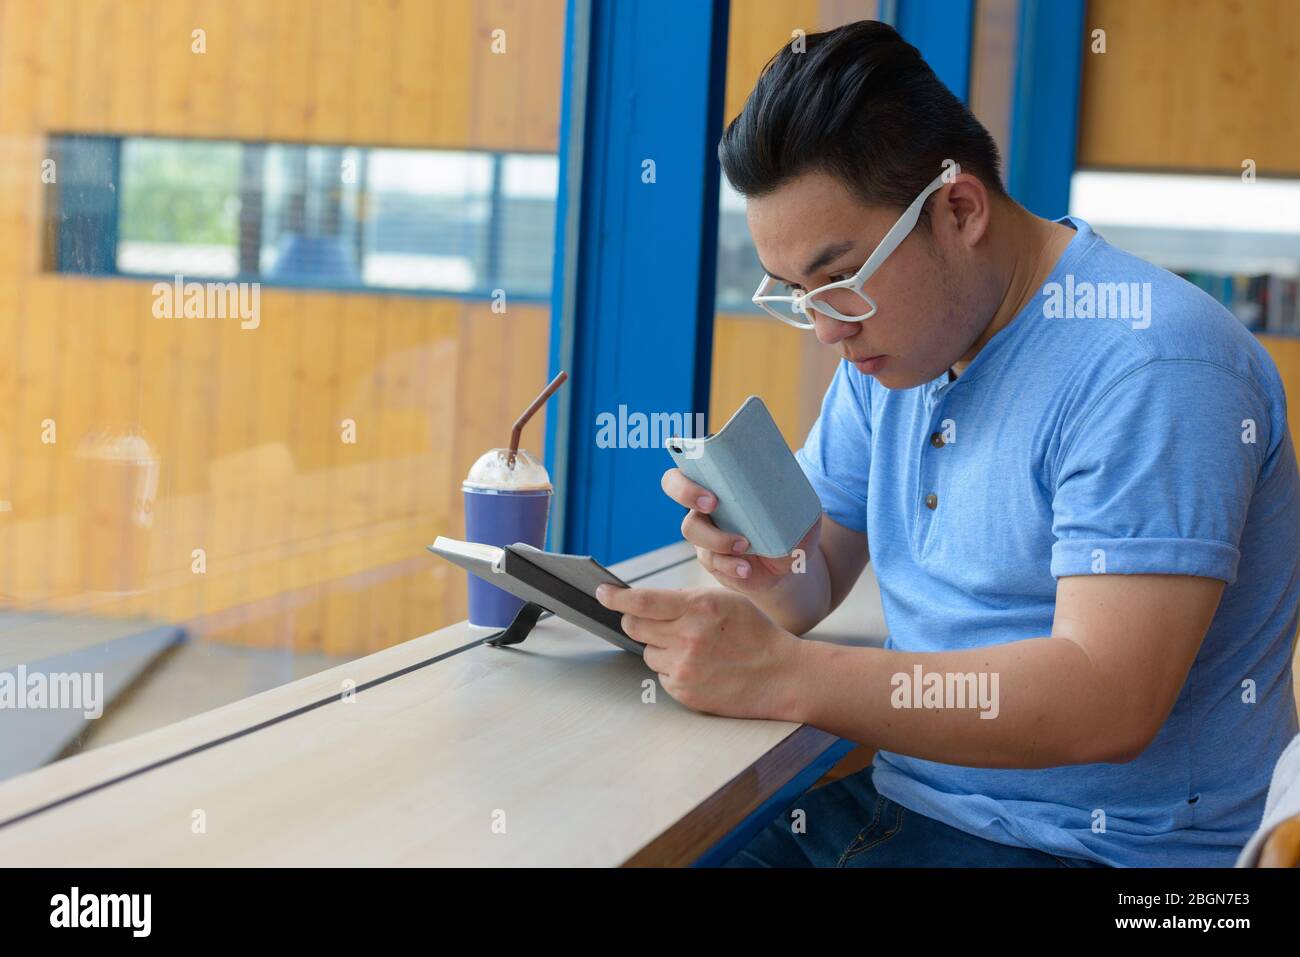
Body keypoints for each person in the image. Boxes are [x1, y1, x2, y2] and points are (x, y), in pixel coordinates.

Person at [594, 19, 1300, 867]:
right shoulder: (896, 351)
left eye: (841, 280)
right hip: (916, 806)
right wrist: (757, 557)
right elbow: (811, 584)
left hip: (1108, 854)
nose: (825, 328)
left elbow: (1109, 699)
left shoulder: (1153, 363)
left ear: (958, 209)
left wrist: (786, 674)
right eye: (796, 293)